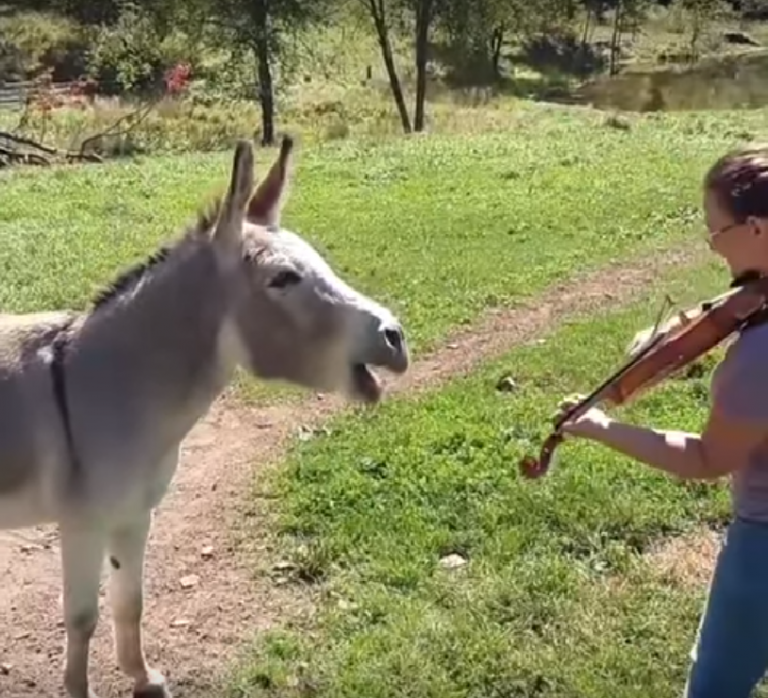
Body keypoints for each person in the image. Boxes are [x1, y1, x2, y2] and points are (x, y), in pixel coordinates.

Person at [554, 144, 768, 698]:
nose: (713, 247)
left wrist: (600, 427)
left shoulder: (757, 362)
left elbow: (706, 458)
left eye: (716, 233)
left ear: (758, 228)